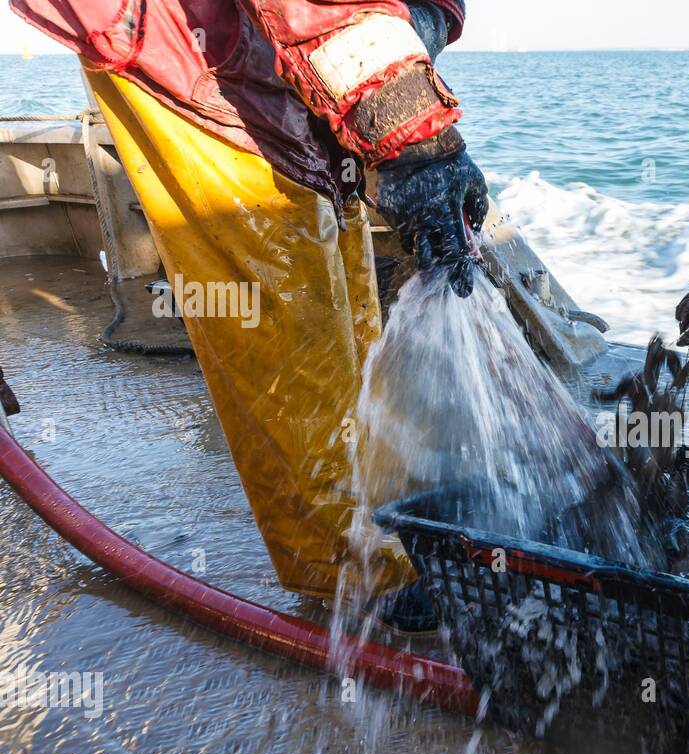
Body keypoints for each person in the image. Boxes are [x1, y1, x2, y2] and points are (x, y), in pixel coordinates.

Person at [11, 0, 489, 608]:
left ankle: (389, 515)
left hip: (280, 55)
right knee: (284, 301)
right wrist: (421, 144)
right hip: (189, 45)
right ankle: (358, 577)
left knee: (340, 281)